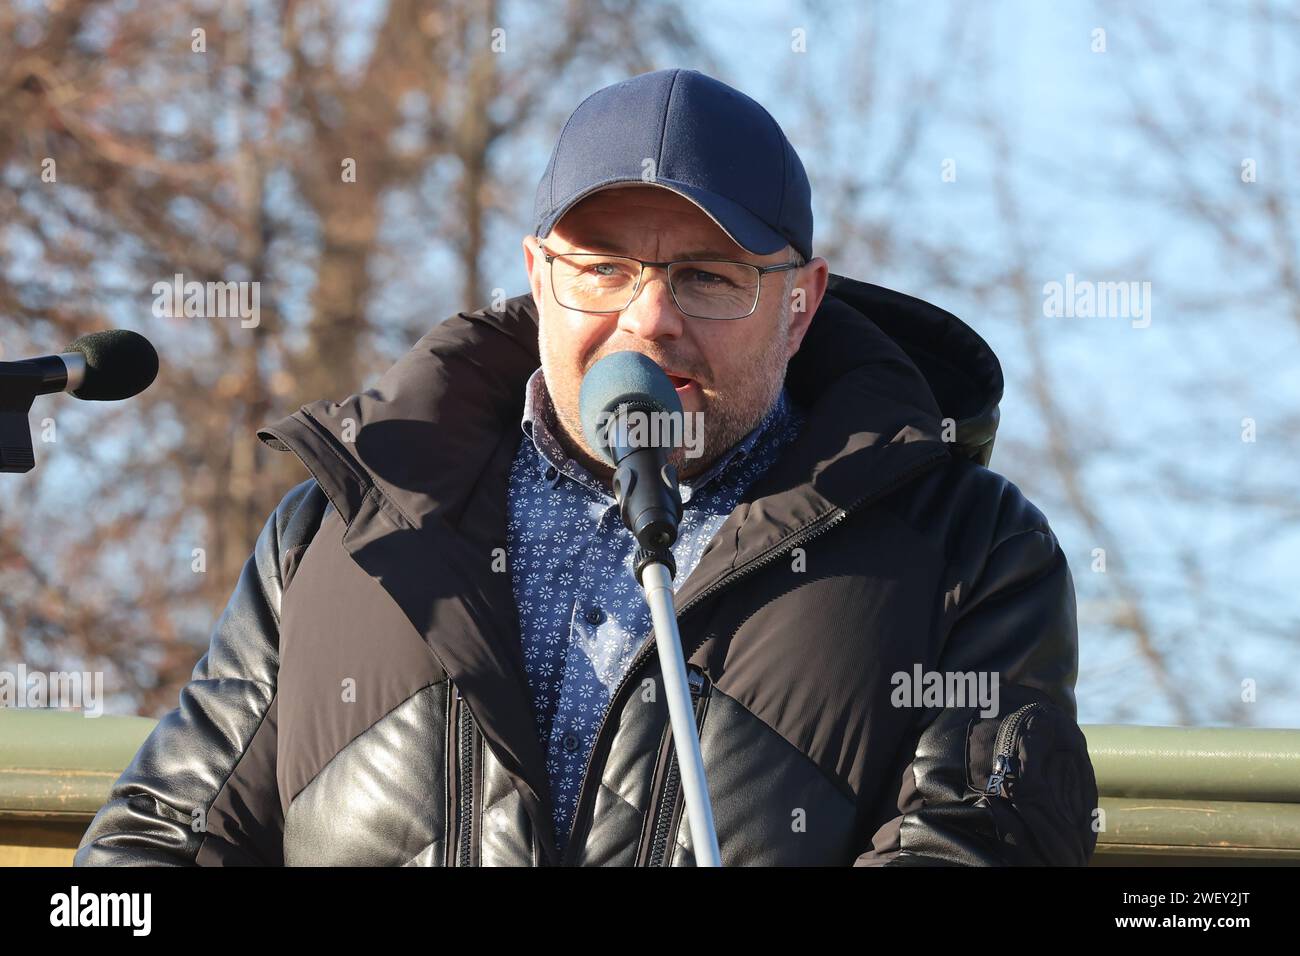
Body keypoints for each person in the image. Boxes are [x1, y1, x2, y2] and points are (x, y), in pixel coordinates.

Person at [77, 68, 1097, 866]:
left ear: (801, 304)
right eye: (603, 269)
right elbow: (156, 842)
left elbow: (967, 846)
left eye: (708, 278)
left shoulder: (968, 548)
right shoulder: (335, 535)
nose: (648, 321)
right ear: (537, 278)